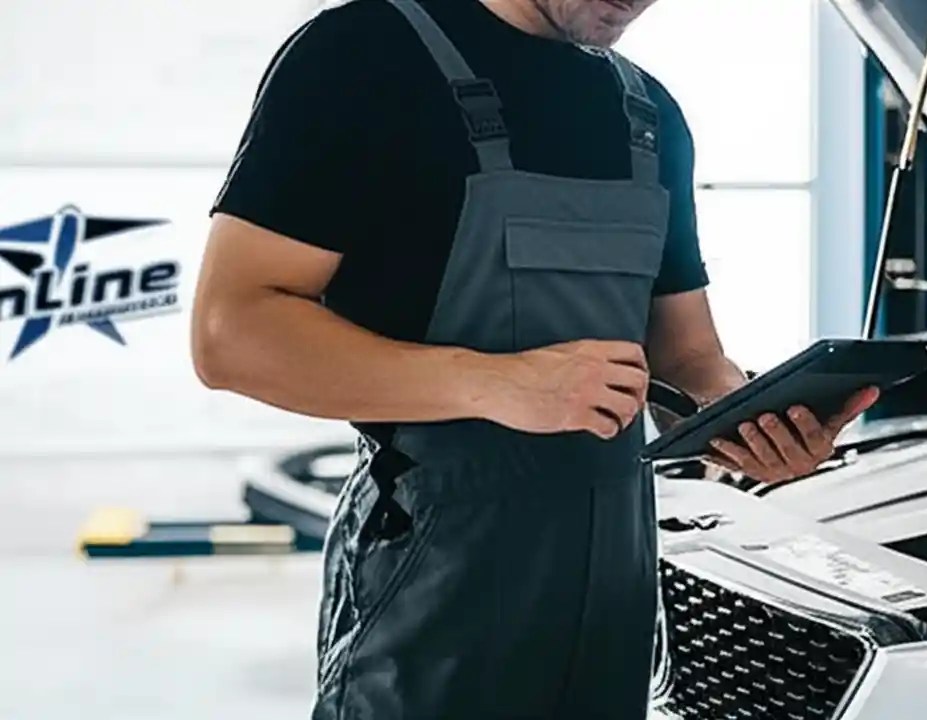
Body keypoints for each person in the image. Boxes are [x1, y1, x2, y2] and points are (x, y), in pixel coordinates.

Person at [191, 0, 880, 717]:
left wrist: (750, 419)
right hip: (435, 588)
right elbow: (231, 332)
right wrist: (499, 383)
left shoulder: (648, 114)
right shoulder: (361, 55)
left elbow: (689, 352)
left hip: (616, 592)